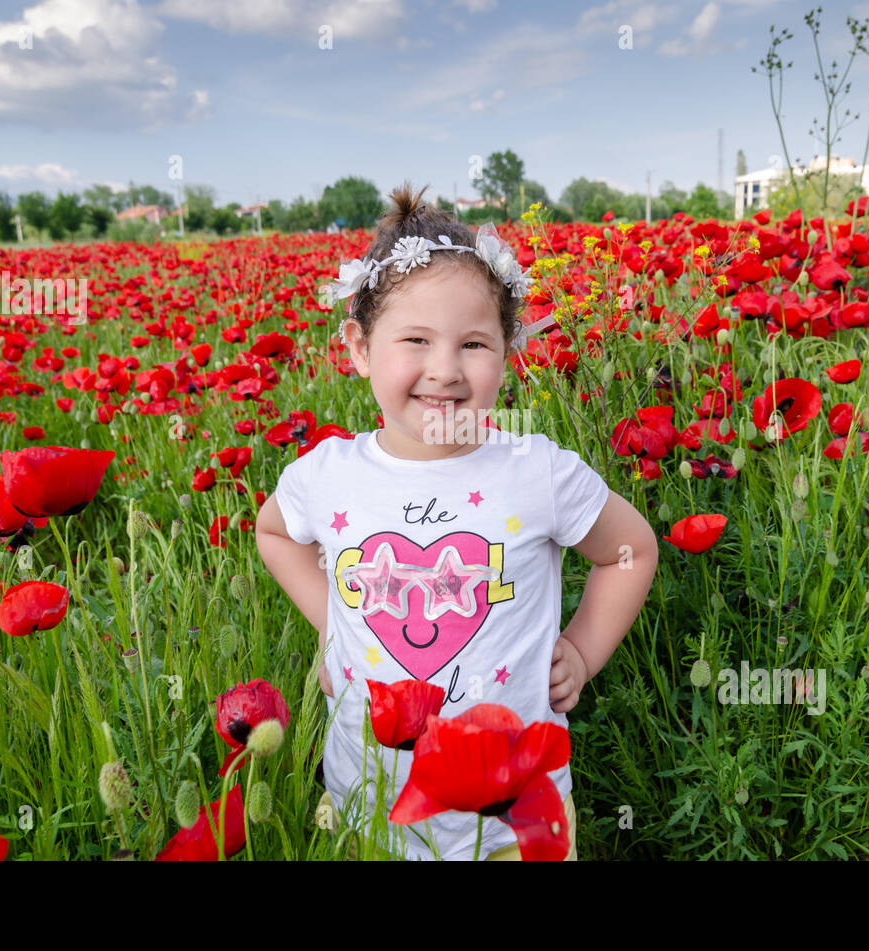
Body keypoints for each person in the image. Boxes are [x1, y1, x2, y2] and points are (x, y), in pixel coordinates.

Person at [253, 182, 658, 860]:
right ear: (359, 346)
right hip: (370, 800)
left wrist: (584, 650)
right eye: (415, 339)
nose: (444, 370)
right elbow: (272, 533)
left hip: (514, 811)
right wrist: (334, 625)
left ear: (508, 348)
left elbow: (631, 551)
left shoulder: (538, 473)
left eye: (473, 343)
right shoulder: (328, 476)